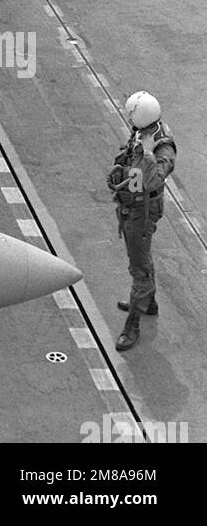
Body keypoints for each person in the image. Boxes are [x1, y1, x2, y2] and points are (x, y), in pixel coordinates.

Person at [108, 91, 177, 351]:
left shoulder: (162, 147)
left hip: (143, 210)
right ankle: (149, 303)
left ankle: (133, 323)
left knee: (140, 266)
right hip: (133, 204)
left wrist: (147, 155)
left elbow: (153, 181)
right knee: (141, 256)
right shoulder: (144, 132)